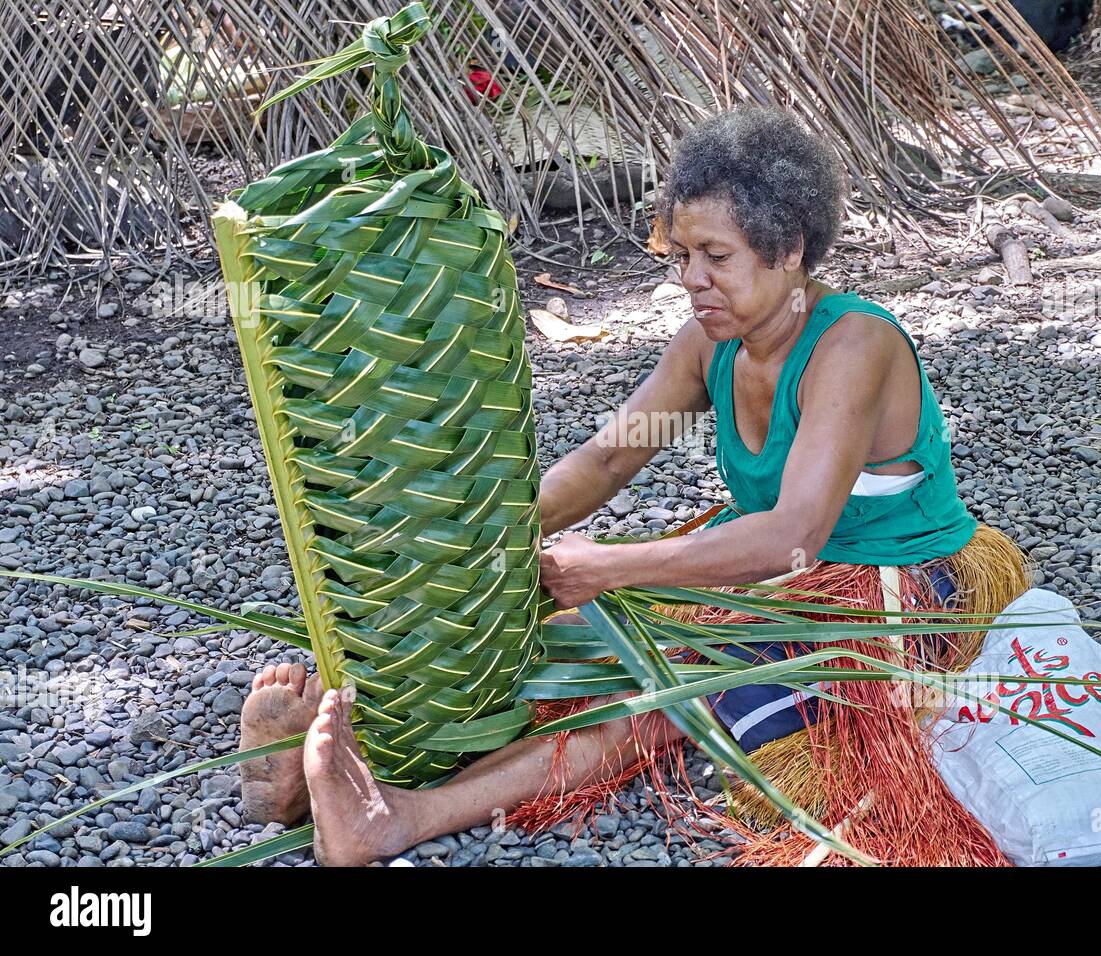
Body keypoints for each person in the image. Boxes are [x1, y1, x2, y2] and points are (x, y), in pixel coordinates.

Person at [235, 105, 1027, 866]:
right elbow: (613, 460)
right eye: (682, 255)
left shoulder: (854, 344)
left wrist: (616, 566)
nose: (692, 279)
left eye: (717, 257)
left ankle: (394, 819)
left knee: (665, 678)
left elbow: (794, 536)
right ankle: (346, 757)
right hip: (777, 580)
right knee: (540, 631)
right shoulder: (709, 345)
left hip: (896, 585)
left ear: (788, 249)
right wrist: (482, 538)